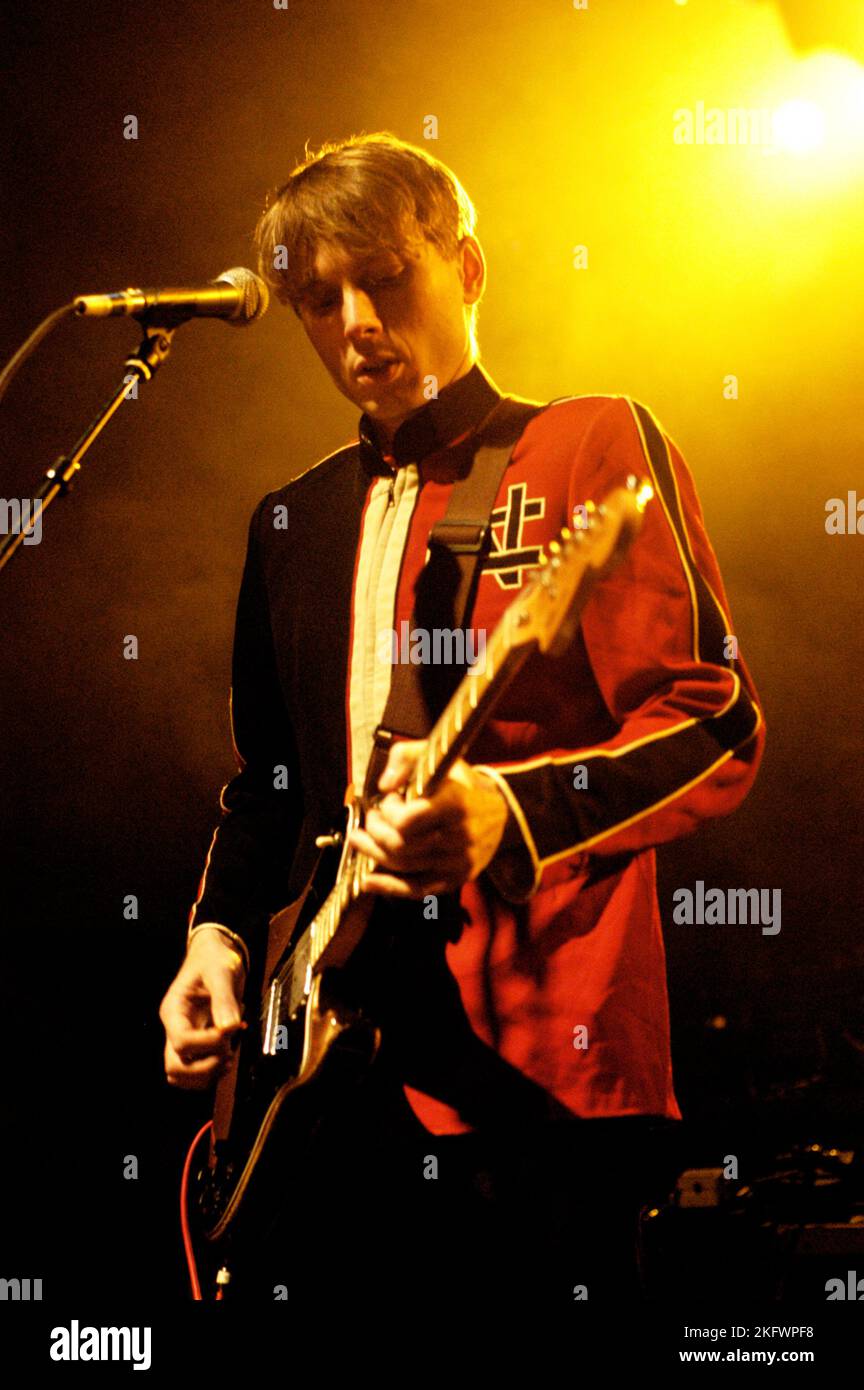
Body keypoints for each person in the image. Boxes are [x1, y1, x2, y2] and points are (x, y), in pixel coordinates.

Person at [158, 132, 765, 1310]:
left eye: (384, 278)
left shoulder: (586, 442)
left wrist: (508, 811)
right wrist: (218, 938)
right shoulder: (290, 518)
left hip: (538, 1065)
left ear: (468, 268)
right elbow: (272, 784)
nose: (356, 326)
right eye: (317, 302)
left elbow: (718, 722)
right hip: (322, 1090)